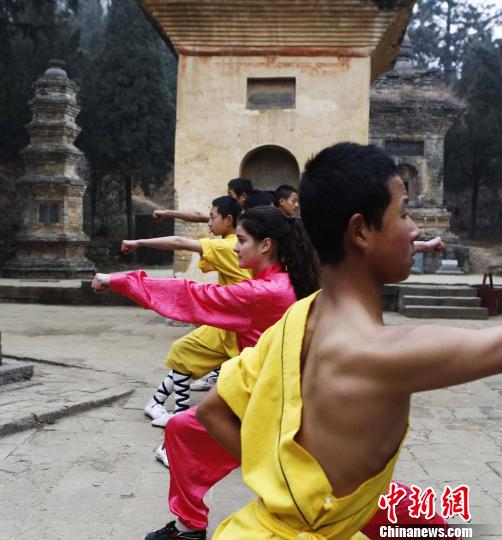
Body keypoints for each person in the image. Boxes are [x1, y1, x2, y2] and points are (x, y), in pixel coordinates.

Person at [197, 142, 493, 539]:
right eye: (403, 213)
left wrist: (287, 490)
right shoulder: (377, 353)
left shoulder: (298, 319)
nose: (415, 229)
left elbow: (212, 409)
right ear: (360, 231)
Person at [91, 206, 320, 464]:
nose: (235, 248)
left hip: (264, 392)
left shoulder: (262, 292)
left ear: (266, 245)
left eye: (242, 241)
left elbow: (190, 295)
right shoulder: (288, 280)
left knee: (183, 434)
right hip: (273, 387)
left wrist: (120, 281)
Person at [120, 196, 251, 424]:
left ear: (229, 219)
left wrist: (138, 242)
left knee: (185, 353)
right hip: (233, 321)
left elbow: (179, 241)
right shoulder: (239, 243)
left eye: (213, 217)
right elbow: (196, 218)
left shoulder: (226, 246)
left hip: (236, 323)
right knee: (184, 352)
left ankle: (178, 413)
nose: (208, 222)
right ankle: (159, 404)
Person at [151, 178, 254, 224]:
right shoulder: (235, 217)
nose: (228, 199)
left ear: (243, 196)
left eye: (230, 195)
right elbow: (197, 216)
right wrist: (166, 213)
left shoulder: (249, 220)